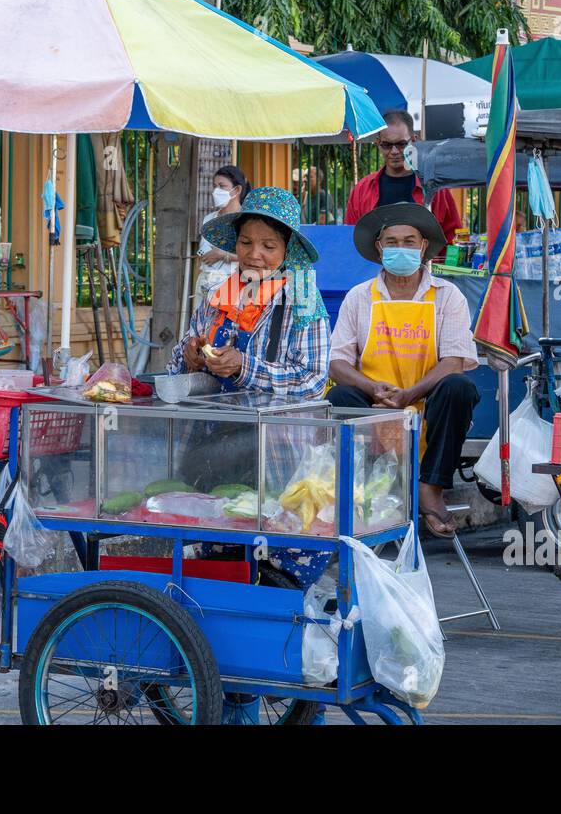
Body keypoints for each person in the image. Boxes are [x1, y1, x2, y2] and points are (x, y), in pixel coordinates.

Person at [327, 202, 480, 537]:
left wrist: (410, 394)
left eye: (409, 241)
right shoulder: (359, 297)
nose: (400, 248)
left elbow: (454, 360)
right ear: (379, 247)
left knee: (459, 387)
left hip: (427, 405)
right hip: (375, 405)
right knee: (339, 394)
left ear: (424, 247)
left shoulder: (447, 295)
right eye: (392, 242)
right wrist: (373, 390)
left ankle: (431, 487)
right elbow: (337, 362)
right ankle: (366, 490)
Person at [169, 186, 329, 399]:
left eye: (269, 246)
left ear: (288, 249)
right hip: (214, 422)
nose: (254, 254)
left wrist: (244, 367)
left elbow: (312, 383)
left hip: (274, 428)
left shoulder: (303, 297)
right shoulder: (219, 294)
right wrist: (190, 356)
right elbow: (174, 365)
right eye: (245, 242)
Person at [343, 110, 462, 244]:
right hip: (373, 264)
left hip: (424, 264)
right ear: (378, 144)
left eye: (401, 144)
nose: (394, 151)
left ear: (414, 141)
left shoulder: (433, 188)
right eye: (386, 145)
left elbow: (452, 237)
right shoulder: (362, 190)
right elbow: (351, 237)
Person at [193, 165, 249, 308]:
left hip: (232, 284)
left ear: (236, 190)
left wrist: (222, 254)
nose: (216, 191)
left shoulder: (247, 220)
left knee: (224, 327)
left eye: (222, 186)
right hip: (205, 283)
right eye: (215, 186)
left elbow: (252, 256)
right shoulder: (209, 219)